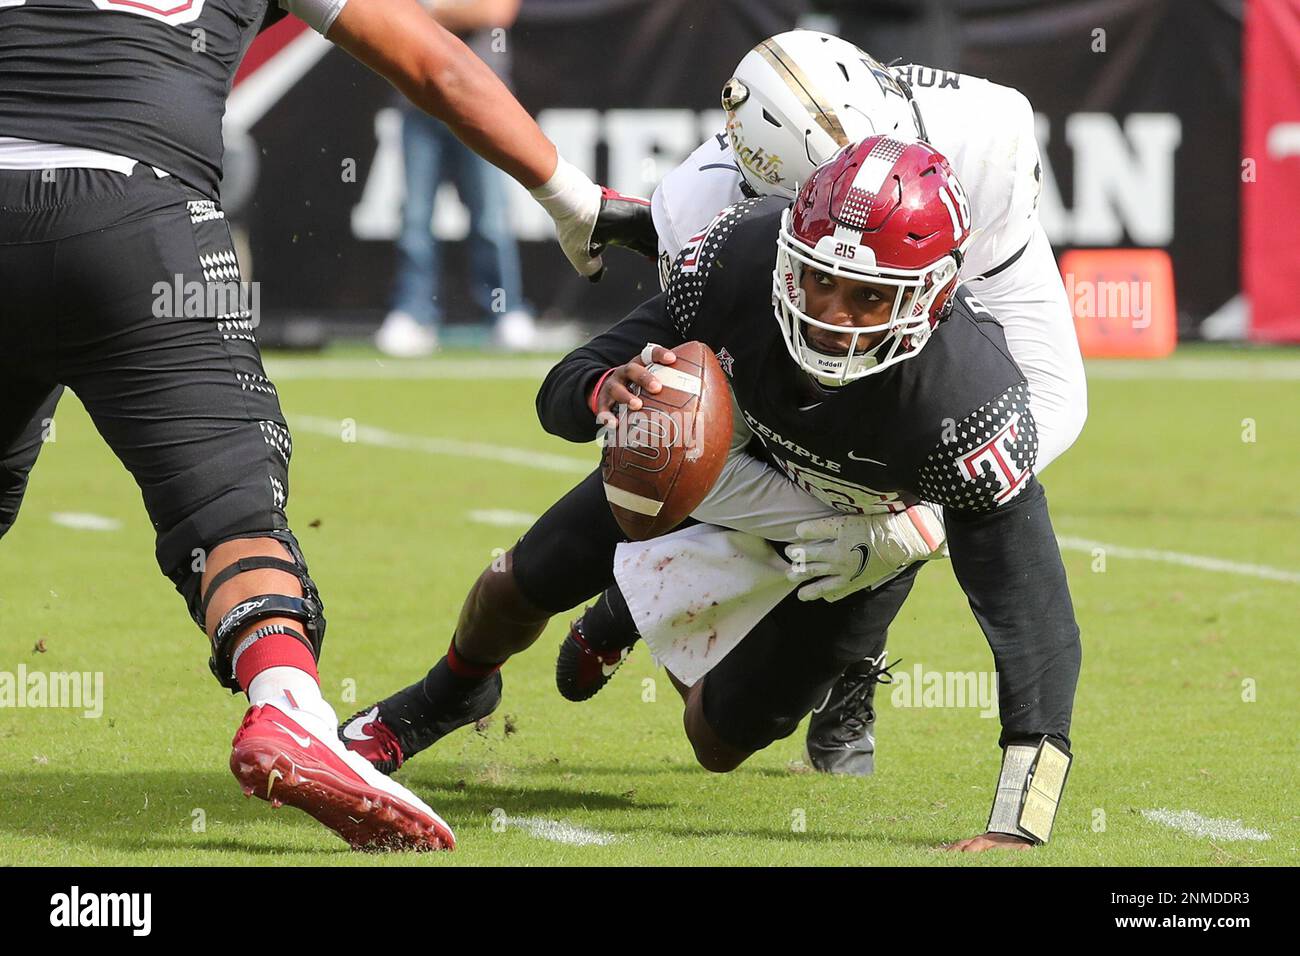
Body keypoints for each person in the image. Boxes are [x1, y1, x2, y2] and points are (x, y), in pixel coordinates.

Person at [341, 30, 1085, 782]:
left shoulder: (984, 143)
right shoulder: (720, 219)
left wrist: (917, 526)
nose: (841, 278)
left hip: (888, 447)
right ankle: (469, 683)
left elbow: (1039, 408)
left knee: (721, 739)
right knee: (553, 549)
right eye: (819, 222)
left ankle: (836, 663)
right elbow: (619, 361)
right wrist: (615, 388)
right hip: (757, 430)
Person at [0, 0, 643, 852]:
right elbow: (435, 63)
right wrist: (570, 194)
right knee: (227, 507)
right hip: (136, 211)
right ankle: (288, 707)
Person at [376, 0, 536, 357]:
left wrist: (431, 10)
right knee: (415, 218)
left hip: (482, 103)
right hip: (417, 98)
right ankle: (413, 313)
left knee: (491, 217)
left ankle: (505, 312)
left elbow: (495, 11)